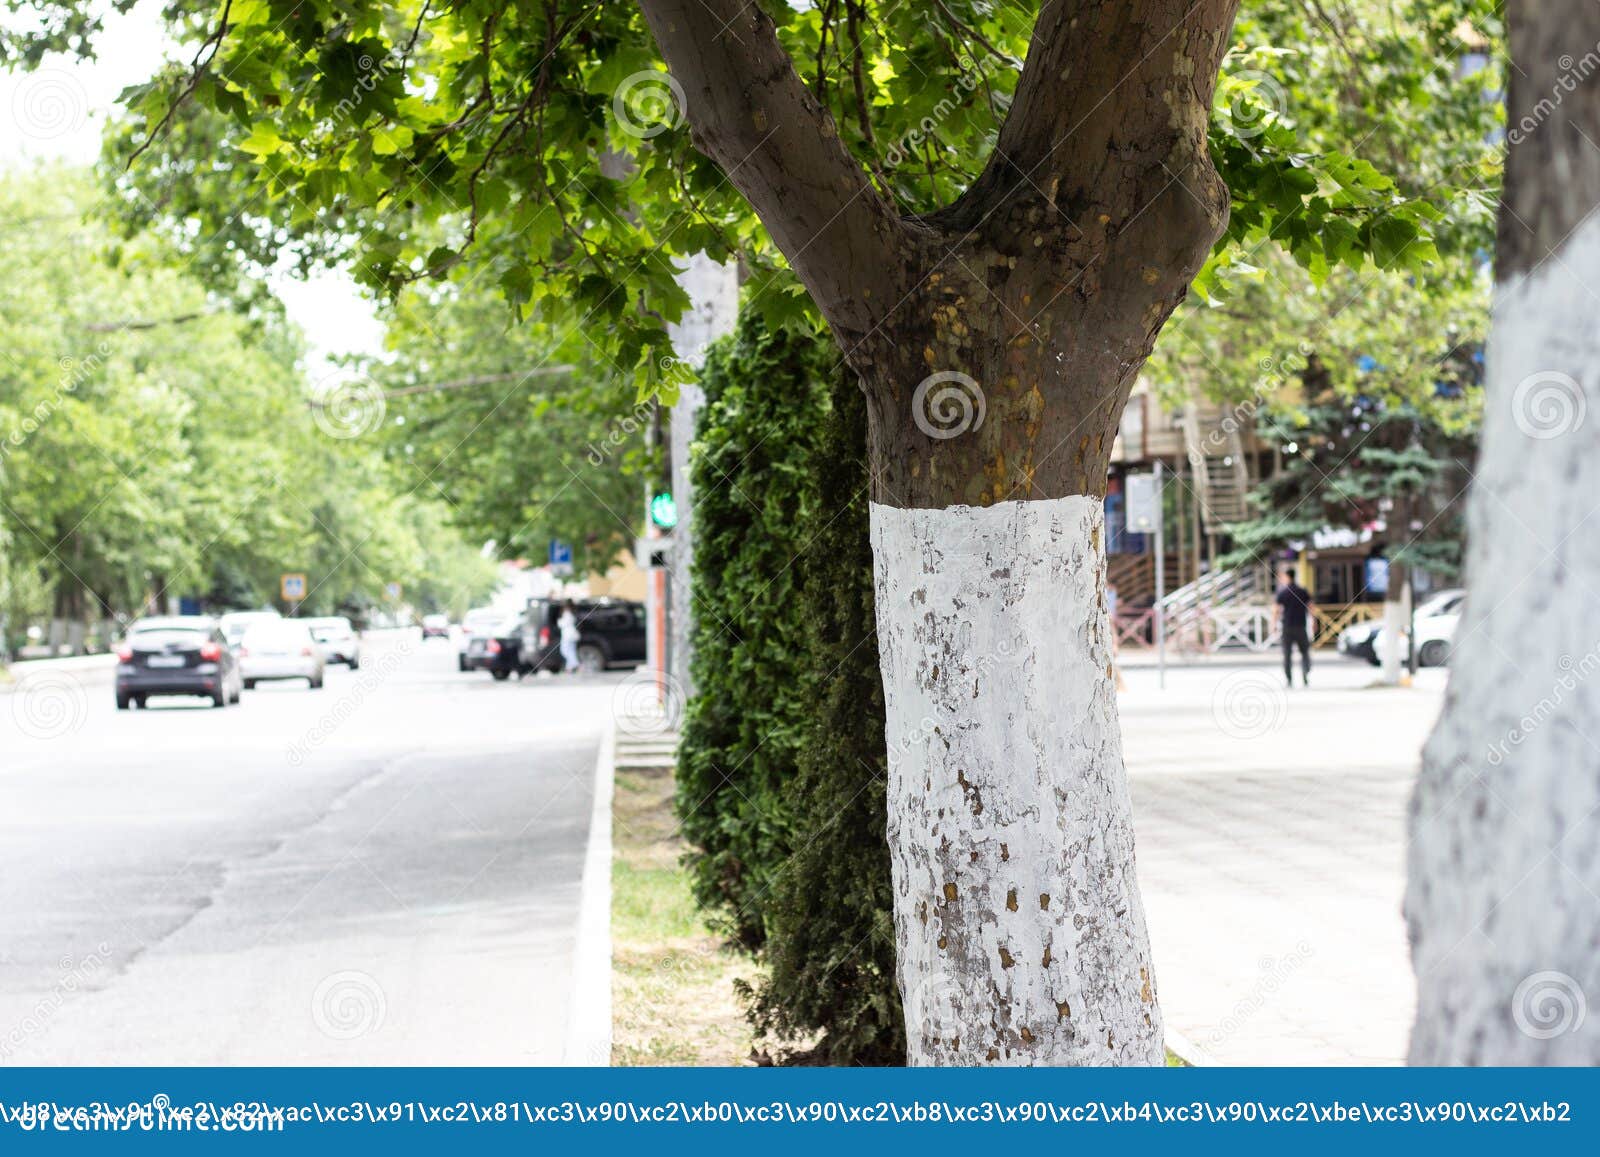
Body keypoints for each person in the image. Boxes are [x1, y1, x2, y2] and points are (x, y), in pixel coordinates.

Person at [1273, 568, 1315, 687]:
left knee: (1287, 654)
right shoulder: (1302, 591)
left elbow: (1276, 610)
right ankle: (1305, 672)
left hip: (1287, 627)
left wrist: (1273, 624)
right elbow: (1311, 607)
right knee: (1305, 652)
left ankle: (1289, 679)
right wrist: (1314, 622)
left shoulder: (1283, 592)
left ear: (1287, 577)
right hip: (1301, 626)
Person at [1105, 578, 1127, 692]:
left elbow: (1113, 631)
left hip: (1109, 622)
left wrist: (1115, 645)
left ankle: (1118, 685)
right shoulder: (1108, 593)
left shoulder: (1111, 593)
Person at [558, 601, 581, 674]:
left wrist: (559, 621)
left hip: (568, 636)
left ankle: (577, 665)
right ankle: (569, 668)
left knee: (564, 651)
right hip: (571, 635)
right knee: (571, 651)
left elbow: (562, 624)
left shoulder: (567, 614)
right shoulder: (571, 614)